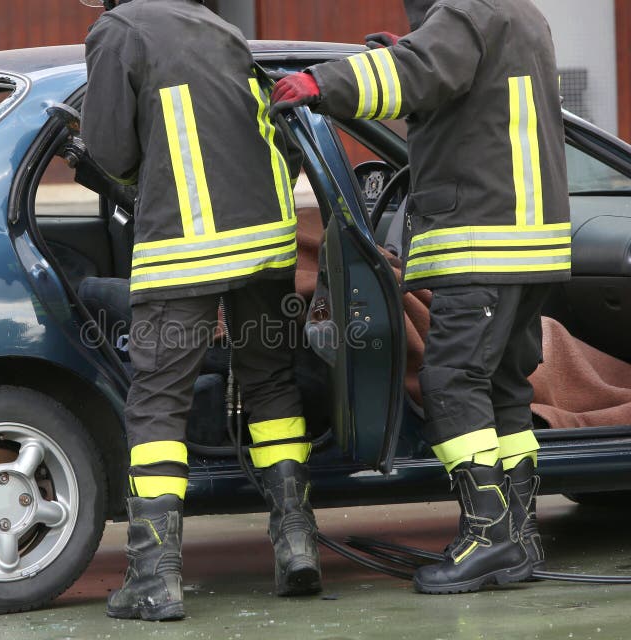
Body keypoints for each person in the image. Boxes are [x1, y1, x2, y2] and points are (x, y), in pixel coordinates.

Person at [271, 0, 569, 594]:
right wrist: (405, 49)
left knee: (451, 381)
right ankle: (518, 539)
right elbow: (458, 84)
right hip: (532, 245)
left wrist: (319, 82)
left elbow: (417, 74)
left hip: (484, 240)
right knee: (503, 389)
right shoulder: (518, 13)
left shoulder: (466, 9)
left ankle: (488, 537)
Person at [80, 0, 321, 621]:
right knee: (271, 384)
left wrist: (134, 175)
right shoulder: (221, 27)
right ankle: (297, 544)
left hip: (187, 246)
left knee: (159, 399)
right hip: (268, 239)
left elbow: (108, 149)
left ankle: (154, 578)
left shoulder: (117, 32)